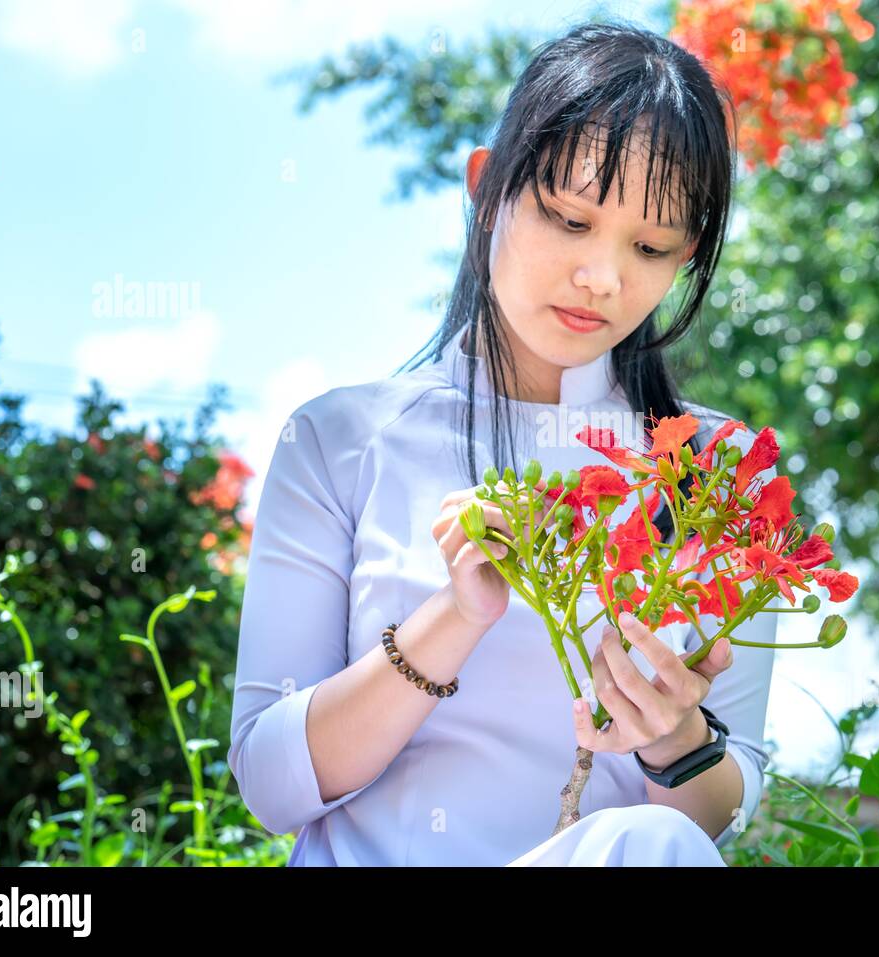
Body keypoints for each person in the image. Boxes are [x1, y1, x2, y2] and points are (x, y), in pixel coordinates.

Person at [228, 19, 780, 867]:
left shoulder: (716, 475)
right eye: (568, 219)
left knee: (656, 838)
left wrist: (675, 736)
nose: (602, 276)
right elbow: (270, 784)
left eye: (649, 246)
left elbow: (713, 815)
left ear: (687, 257)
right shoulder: (340, 440)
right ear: (486, 189)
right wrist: (458, 615)